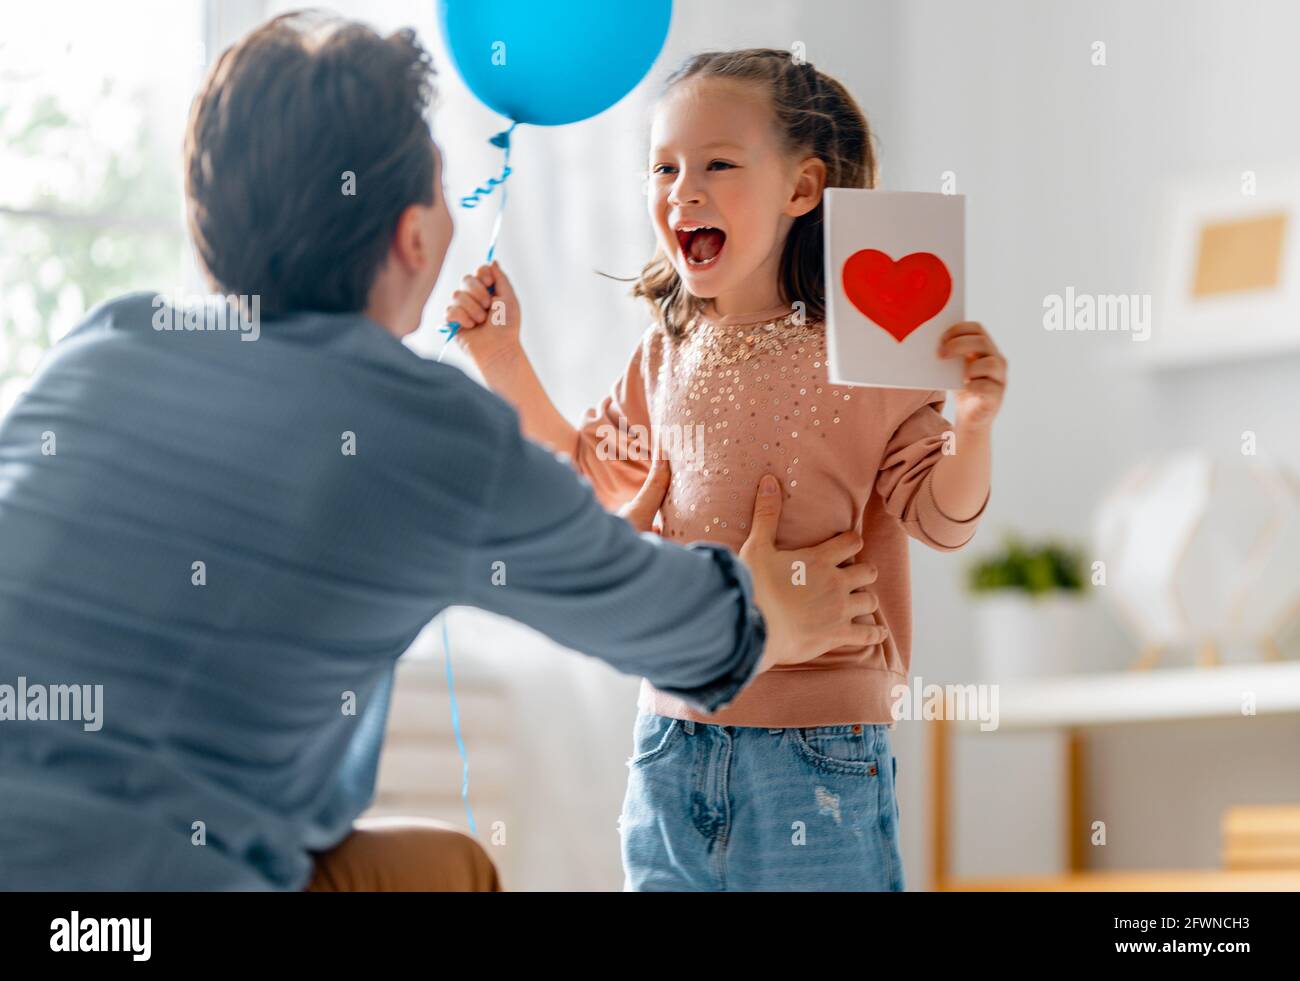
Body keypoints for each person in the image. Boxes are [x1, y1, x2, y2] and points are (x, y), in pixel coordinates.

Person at [0, 17, 884, 892]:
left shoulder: (103, 342)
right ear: (413, 235)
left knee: (438, 865)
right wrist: (763, 607)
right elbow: (683, 629)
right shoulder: (422, 429)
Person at [447, 49, 1005, 891]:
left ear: (802, 187)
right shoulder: (665, 352)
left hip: (818, 752)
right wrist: (502, 359)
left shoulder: (868, 351)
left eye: (717, 164)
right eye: (664, 167)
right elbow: (588, 477)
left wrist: (973, 426)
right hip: (672, 739)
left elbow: (940, 516)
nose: (683, 190)